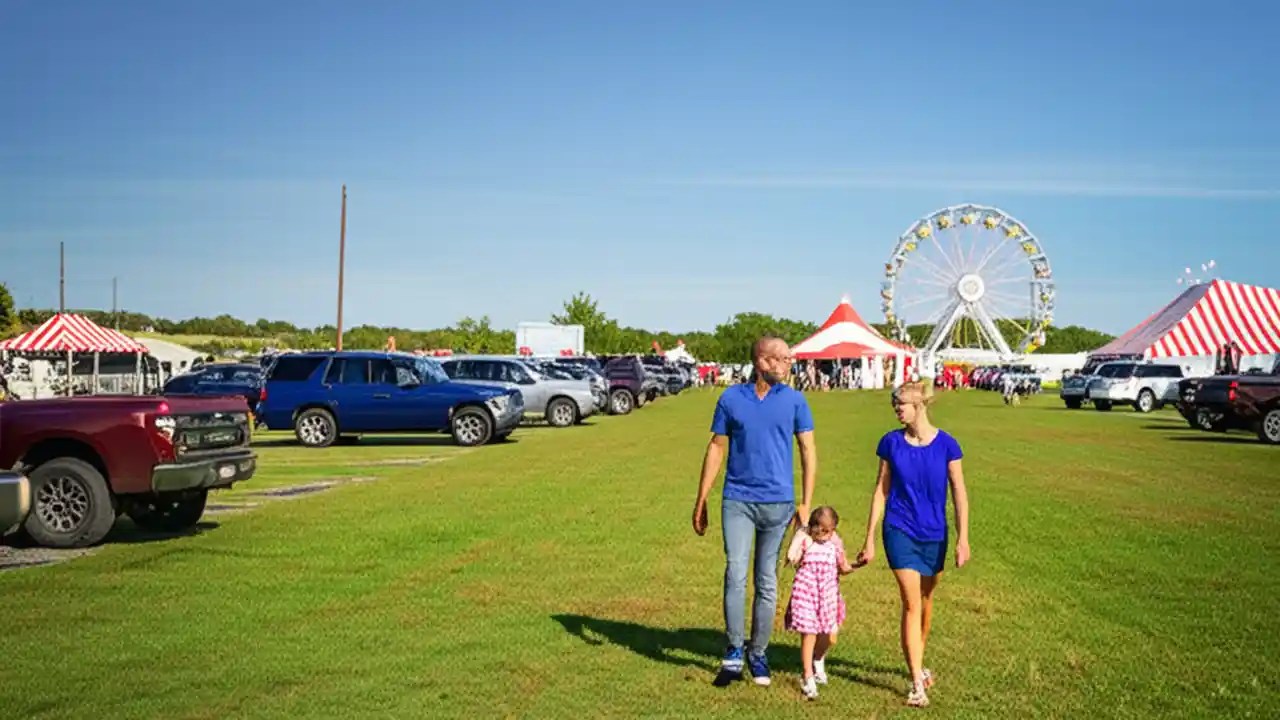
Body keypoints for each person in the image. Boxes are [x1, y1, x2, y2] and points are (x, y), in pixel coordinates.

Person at [692, 336, 816, 687]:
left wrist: (805, 501)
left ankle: (758, 652)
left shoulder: (795, 400)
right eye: (784, 359)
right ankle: (733, 650)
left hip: (778, 504)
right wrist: (701, 499)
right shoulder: (731, 398)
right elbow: (717, 447)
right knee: (735, 573)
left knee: (766, 581)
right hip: (738, 501)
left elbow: (808, 450)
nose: (789, 365)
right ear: (763, 362)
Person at [855, 382, 970, 708]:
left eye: (901, 404)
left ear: (919, 405)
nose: (896, 410)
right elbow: (881, 490)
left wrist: (963, 538)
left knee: (926, 601)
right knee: (911, 603)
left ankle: (917, 664)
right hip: (899, 529)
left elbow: (959, 494)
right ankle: (917, 682)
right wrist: (870, 538)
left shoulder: (948, 445)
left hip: (934, 534)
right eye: (895, 405)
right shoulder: (890, 443)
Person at [784, 506, 861, 700]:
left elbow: (843, 568)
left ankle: (818, 658)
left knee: (829, 636)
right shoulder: (806, 542)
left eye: (828, 530)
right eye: (818, 528)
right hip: (806, 594)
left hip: (827, 597)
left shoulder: (835, 546)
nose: (822, 533)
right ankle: (807, 675)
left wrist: (858, 564)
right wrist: (798, 534)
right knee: (809, 633)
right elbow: (793, 558)